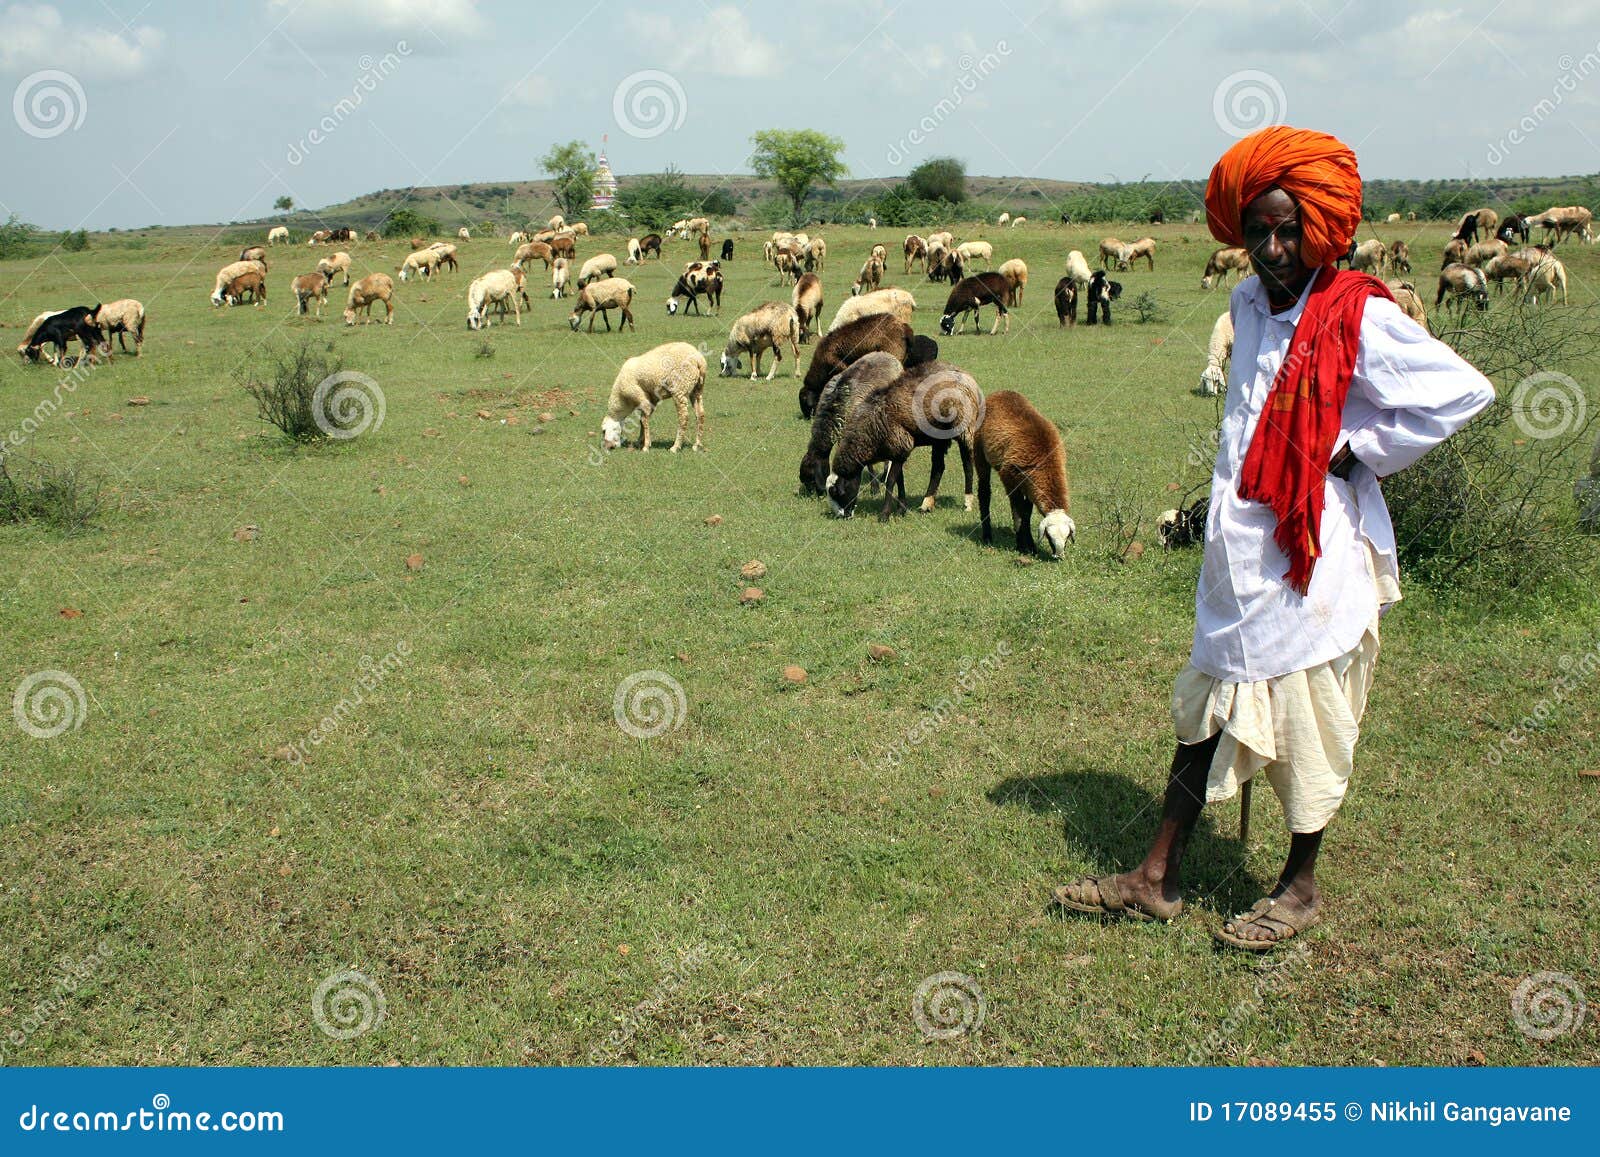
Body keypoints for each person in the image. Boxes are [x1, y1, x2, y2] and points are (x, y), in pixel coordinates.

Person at [1053, 126, 1496, 951]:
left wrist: (1356, 450)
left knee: (1307, 717)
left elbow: (1462, 390)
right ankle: (1156, 877)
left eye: (1289, 228)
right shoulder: (1244, 304)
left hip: (1313, 553)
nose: (1273, 245)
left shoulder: (1358, 313)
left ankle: (1299, 885)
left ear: (1318, 228)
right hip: (1240, 548)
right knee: (1204, 705)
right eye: (1259, 228)